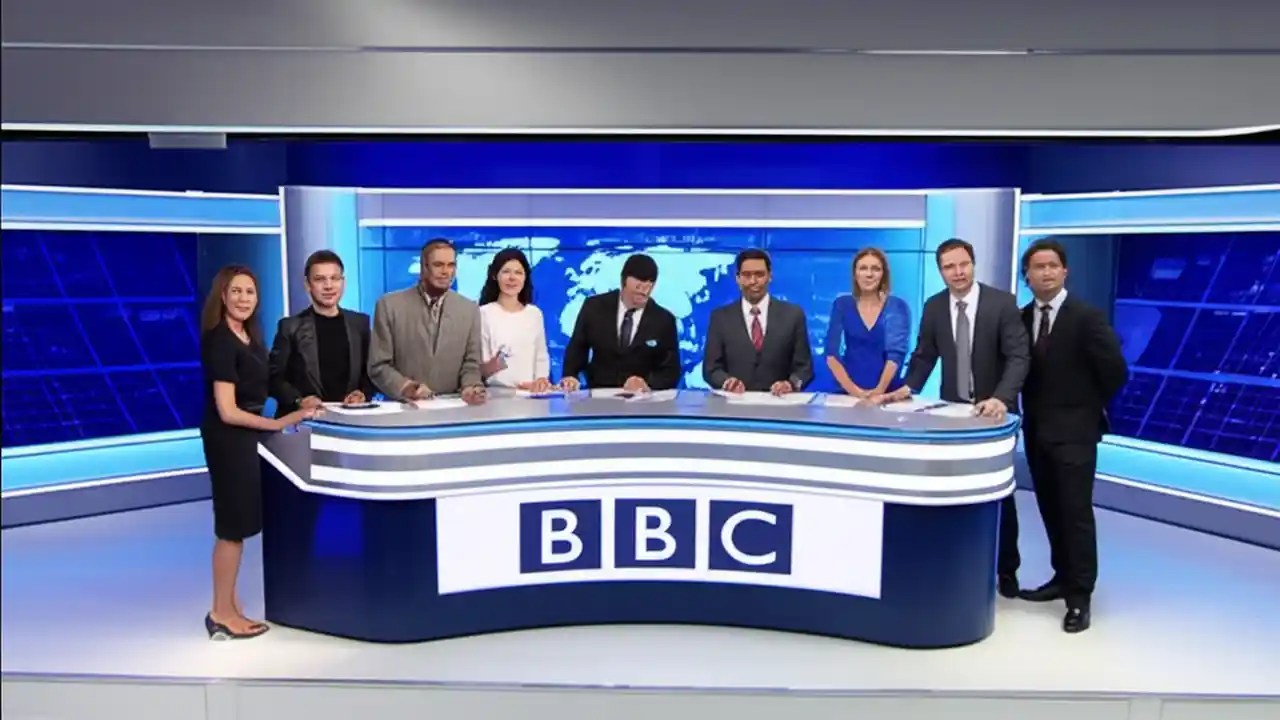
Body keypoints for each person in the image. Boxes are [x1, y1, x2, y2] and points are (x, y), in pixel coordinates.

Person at [872, 238, 1030, 598]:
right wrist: (907, 387)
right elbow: (925, 354)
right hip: (953, 413)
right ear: (940, 270)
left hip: (995, 413)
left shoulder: (1001, 303)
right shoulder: (934, 306)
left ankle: (1006, 570)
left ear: (973, 265)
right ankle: (960, 565)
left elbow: (1019, 356)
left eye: (963, 265)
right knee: (955, 492)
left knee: (999, 492)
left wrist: (1001, 398)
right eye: (949, 267)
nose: (957, 273)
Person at [199, 264, 319, 640]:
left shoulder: (249, 336)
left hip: (245, 439)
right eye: (236, 291)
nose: (243, 298)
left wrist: (302, 399)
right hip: (228, 438)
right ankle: (220, 613)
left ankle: (229, 606)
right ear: (222, 295)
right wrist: (279, 424)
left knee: (241, 525)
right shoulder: (220, 339)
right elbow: (227, 410)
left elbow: (265, 386)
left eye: (249, 292)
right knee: (232, 528)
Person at [1016, 239, 1128, 633]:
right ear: (1026, 275)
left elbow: (1115, 371)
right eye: (1037, 266)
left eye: (1052, 266)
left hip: (1076, 435)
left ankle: (1080, 597)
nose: (1045, 272)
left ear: (1064, 271)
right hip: (1036, 432)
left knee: (1076, 513)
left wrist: (1083, 408)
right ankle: (1061, 578)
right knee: (1049, 507)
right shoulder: (1022, 316)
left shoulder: (1086, 316)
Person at [368, 238, 486, 404]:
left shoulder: (469, 309)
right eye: (438, 265)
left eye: (451, 265)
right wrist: (407, 388)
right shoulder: (389, 305)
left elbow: (471, 364)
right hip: (403, 410)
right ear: (423, 268)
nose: (445, 271)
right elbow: (378, 365)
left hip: (453, 409)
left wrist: (470, 388)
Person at [269, 250, 375, 414]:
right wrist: (299, 400)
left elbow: (372, 371)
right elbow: (274, 378)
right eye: (320, 279)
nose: (328, 286)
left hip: (351, 422)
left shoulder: (360, 324)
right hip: (304, 422)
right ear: (307, 284)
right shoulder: (289, 327)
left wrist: (362, 394)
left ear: (343, 282)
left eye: (334, 278)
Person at [561, 253, 680, 392]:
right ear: (624, 280)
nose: (644, 290)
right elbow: (576, 351)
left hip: (643, 402)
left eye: (649, 284)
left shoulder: (663, 320)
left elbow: (671, 371)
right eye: (638, 284)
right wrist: (570, 377)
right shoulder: (594, 308)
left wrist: (647, 384)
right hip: (599, 397)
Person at [703, 248, 813, 394]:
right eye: (747, 275)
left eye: (759, 275)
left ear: (770, 277)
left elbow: (804, 369)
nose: (753, 281)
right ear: (738, 278)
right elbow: (711, 369)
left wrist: (791, 384)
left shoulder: (793, 315)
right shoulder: (720, 317)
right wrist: (726, 382)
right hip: (733, 407)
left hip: (780, 407)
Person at [824, 247, 911, 399]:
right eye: (863, 268)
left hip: (888, 395)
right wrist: (856, 392)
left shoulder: (896, 306)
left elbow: (895, 355)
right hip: (846, 394)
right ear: (855, 274)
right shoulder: (842, 304)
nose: (869, 274)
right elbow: (831, 354)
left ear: (883, 274)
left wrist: (878, 392)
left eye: (875, 269)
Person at [477, 248, 553, 393]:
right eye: (506, 272)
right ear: (495, 275)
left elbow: (541, 356)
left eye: (518, 272)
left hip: (532, 395)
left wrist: (541, 381)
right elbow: (481, 367)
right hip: (496, 395)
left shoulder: (534, 314)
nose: (512, 278)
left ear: (525, 278)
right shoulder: (483, 313)